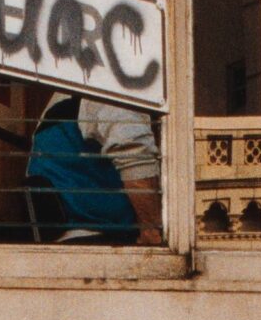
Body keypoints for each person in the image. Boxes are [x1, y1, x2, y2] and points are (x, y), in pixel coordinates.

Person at [24, 93, 163, 245]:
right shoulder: (105, 89)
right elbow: (135, 155)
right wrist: (151, 231)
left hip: (69, 241)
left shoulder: (64, 101)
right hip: (100, 240)